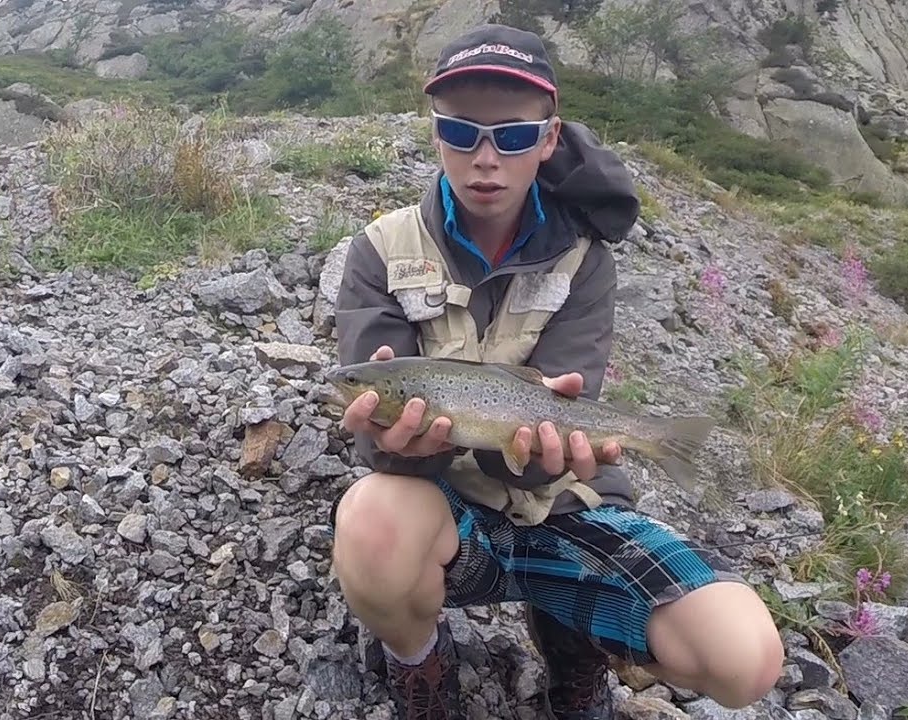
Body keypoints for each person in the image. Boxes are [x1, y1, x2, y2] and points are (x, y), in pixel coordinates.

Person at [328, 23, 784, 720]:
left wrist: (542, 456)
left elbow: (557, 440)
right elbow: (375, 445)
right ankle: (420, 660)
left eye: (511, 137)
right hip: (445, 520)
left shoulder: (585, 259)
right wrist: (387, 443)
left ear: (546, 140)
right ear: (435, 135)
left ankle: (573, 644)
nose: (486, 158)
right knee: (368, 520)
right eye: (462, 134)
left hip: (565, 505)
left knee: (745, 658)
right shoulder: (379, 251)